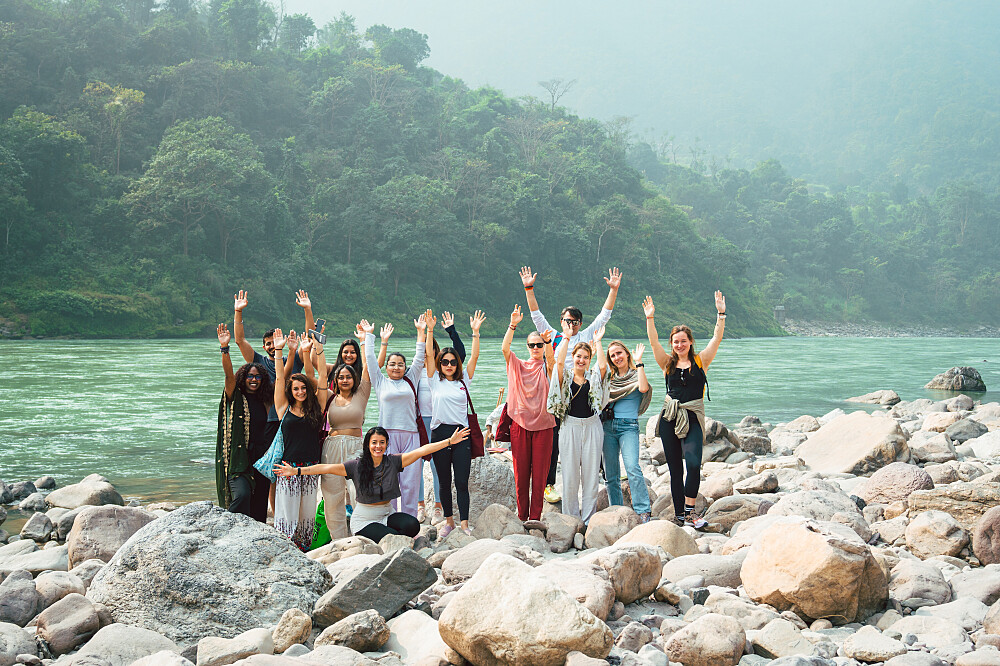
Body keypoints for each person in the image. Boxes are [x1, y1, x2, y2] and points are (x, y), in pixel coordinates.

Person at [519, 266, 623, 503]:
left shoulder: (586, 336)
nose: (572, 324)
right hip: (559, 391)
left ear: (580, 323)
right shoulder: (554, 336)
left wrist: (613, 290)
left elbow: (604, 315)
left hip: (583, 388)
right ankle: (548, 485)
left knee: (594, 426)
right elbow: (535, 313)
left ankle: (604, 470)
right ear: (561, 321)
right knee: (555, 438)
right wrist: (528, 288)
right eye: (567, 320)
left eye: (575, 321)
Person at [274, 426, 470, 542]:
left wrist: (449, 441)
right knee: (392, 538)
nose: (378, 446)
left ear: (386, 444)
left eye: (382, 442)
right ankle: (371, 537)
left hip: (386, 514)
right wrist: (295, 471)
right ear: (368, 444)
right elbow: (324, 468)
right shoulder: (355, 466)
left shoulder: (393, 461)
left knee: (412, 526)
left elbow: (421, 451)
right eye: (374, 442)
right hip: (365, 519)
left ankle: (387, 536)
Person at [644, 291, 726, 528]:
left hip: (692, 417)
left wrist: (721, 314)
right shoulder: (667, 363)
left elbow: (716, 339)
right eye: (675, 341)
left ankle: (690, 512)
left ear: (690, 342)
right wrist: (650, 318)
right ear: (672, 344)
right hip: (670, 418)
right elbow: (653, 343)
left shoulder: (701, 361)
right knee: (675, 469)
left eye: (683, 340)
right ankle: (680, 516)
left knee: (692, 463)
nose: (679, 344)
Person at [425, 309, 485, 537]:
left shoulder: (464, 381)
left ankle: (464, 524)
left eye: (452, 362)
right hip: (440, 433)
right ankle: (448, 521)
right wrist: (430, 330)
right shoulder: (434, 381)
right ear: (439, 364)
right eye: (445, 361)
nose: (449, 364)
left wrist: (475, 333)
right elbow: (428, 355)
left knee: (461, 481)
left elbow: (475, 357)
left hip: (462, 434)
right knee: (443, 481)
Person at [362, 314, 427, 518]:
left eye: (400, 364)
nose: (396, 367)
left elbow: (420, 357)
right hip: (386, 437)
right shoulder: (380, 382)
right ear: (386, 367)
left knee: (410, 484)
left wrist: (420, 331)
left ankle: (409, 523)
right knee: (388, 483)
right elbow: (371, 360)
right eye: (392, 364)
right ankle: (390, 521)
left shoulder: (412, 378)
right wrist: (369, 336)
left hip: (411, 436)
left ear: (405, 367)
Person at [271, 328, 328, 550]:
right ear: (290, 390)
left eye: (304, 388)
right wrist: (279, 350)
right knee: (287, 513)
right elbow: (278, 378)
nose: (301, 391)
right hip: (288, 467)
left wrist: (318, 348)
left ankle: (304, 549)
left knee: (307, 514)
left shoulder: (317, 408)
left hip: (311, 466)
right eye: (296, 388)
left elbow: (322, 377)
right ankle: (284, 548)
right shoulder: (283, 408)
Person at [547, 325, 607, 523]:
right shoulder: (565, 378)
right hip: (570, 426)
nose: (581, 360)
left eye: (585, 357)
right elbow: (559, 362)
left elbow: (603, 367)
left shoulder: (594, 377)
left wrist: (598, 342)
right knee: (570, 474)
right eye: (578, 356)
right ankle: (571, 518)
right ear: (574, 356)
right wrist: (566, 337)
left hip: (592, 426)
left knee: (591, 475)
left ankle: (589, 518)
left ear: (589, 360)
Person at [502, 304, 556, 521]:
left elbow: (552, 360)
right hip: (520, 424)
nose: (535, 348)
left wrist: (548, 342)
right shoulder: (518, 364)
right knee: (521, 474)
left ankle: (535, 517)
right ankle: (522, 516)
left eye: (539, 345)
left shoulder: (547, 366)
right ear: (527, 346)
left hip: (545, 425)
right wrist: (512, 325)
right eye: (532, 345)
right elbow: (505, 349)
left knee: (540, 475)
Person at [215, 323, 273, 522]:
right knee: (242, 496)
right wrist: (225, 349)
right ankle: (230, 529)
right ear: (244, 378)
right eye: (250, 376)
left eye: (257, 376)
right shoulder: (236, 396)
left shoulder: (267, 400)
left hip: (262, 459)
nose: (254, 380)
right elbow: (228, 375)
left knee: (259, 504)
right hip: (239, 459)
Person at [317, 338, 371, 540]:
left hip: (356, 447)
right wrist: (318, 347)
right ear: (336, 380)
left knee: (359, 492)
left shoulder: (361, 394)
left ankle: (361, 536)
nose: (345, 380)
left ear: (354, 379)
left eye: (349, 377)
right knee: (332, 496)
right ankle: (338, 540)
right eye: (341, 377)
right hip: (331, 448)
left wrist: (365, 342)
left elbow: (367, 369)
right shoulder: (329, 396)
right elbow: (321, 375)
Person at [602, 340, 653, 523]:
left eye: (619, 353)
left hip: (628, 427)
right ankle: (615, 508)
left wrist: (639, 362)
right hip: (608, 427)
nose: (617, 357)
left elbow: (644, 388)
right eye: (613, 355)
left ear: (627, 354)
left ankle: (643, 511)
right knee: (611, 473)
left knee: (632, 467)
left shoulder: (635, 373)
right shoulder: (609, 379)